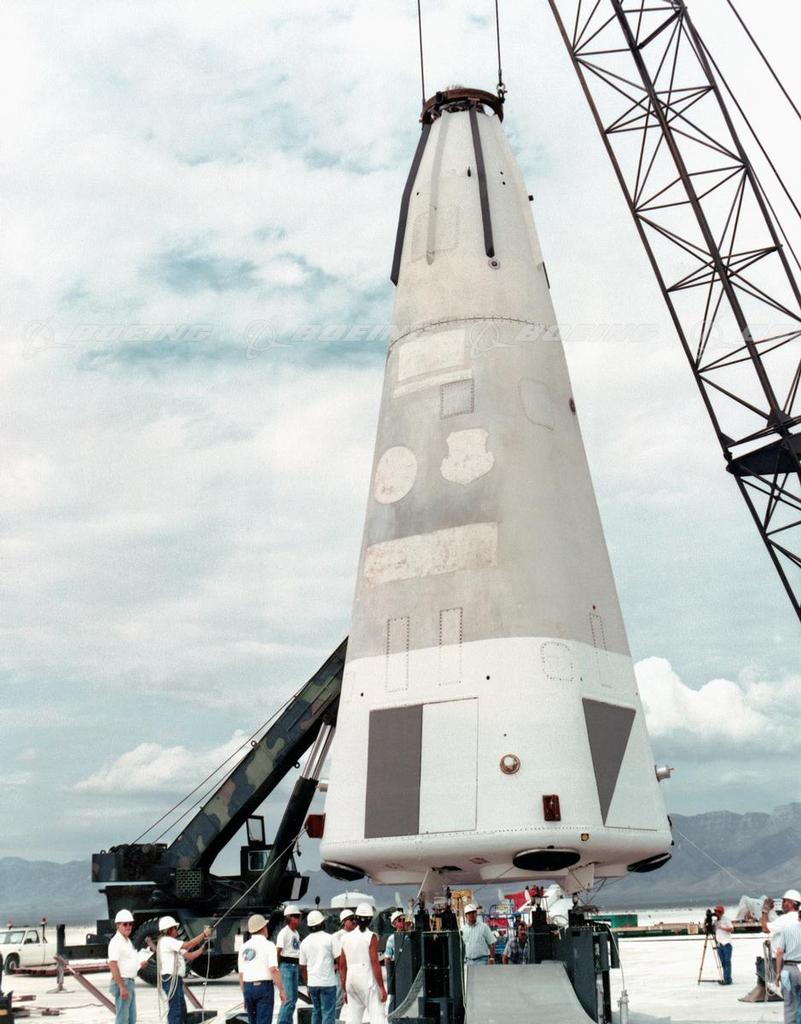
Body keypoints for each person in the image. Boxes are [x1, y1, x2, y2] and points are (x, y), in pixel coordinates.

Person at [156, 915, 212, 1024]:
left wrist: (203, 949)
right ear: (169, 930)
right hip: (171, 979)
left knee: (180, 1009)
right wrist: (204, 934)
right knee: (176, 1009)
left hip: (175, 980)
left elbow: (189, 956)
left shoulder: (172, 943)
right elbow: (188, 945)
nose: (176, 930)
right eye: (175, 928)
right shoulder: (167, 941)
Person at [340, 903, 387, 1024]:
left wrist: (344, 989)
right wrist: (381, 987)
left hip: (351, 981)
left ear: (356, 918)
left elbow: (342, 966)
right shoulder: (371, 937)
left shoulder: (345, 938)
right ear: (370, 919)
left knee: (353, 1019)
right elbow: (374, 962)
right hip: (366, 980)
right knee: (378, 1017)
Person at [238, 913, 286, 1024]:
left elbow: (241, 975)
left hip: (248, 988)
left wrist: (245, 995)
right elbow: (273, 970)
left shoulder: (243, 947)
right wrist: (282, 990)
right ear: (263, 928)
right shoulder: (269, 945)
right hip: (264, 988)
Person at [107, 909, 148, 1024]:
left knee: (131, 1018)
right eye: (125, 924)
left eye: (130, 924)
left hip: (129, 982)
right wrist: (122, 987)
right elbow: (113, 964)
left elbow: (127, 962)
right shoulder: (116, 942)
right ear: (118, 925)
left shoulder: (127, 941)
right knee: (123, 1019)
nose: (128, 927)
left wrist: (139, 965)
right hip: (123, 982)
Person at [300, 910, 337, 1024]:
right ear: (322, 923)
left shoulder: (304, 942)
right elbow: (339, 959)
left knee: (316, 1011)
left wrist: (307, 984)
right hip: (328, 983)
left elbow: (302, 967)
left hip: (313, 984)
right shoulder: (330, 938)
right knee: (328, 1013)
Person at [275, 904, 302, 1024]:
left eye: (298, 916)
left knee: (293, 999)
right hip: (286, 966)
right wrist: (277, 969)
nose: (298, 919)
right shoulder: (284, 933)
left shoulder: (296, 933)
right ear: (289, 918)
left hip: (294, 966)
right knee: (288, 999)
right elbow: (278, 951)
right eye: (295, 916)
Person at [332, 908, 356, 1010]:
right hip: (341, 971)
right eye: (351, 919)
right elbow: (335, 956)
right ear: (344, 922)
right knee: (339, 999)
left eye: (354, 919)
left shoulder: (357, 935)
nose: (354, 922)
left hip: (354, 970)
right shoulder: (337, 936)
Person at [383, 911, 406, 1012]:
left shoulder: (409, 936)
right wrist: (390, 977)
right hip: (396, 971)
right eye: (400, 920)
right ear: (394, 924)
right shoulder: (391, 939)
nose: (403, 922)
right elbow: (387, 958)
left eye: (404, 920)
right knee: (393, 996)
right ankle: (391, 1014)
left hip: (406, 970)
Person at [713, 905, 733, 985]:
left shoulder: (726, 919)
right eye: (716, 911)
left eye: (719, 912)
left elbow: (731, 929)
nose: (717, 913)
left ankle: (727, 979)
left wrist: (721, 927)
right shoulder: (715, 921)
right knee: (723, 962)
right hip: (719, 944)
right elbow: (709, 930)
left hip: (726, 943)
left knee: (727, 962)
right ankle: (726, 978)